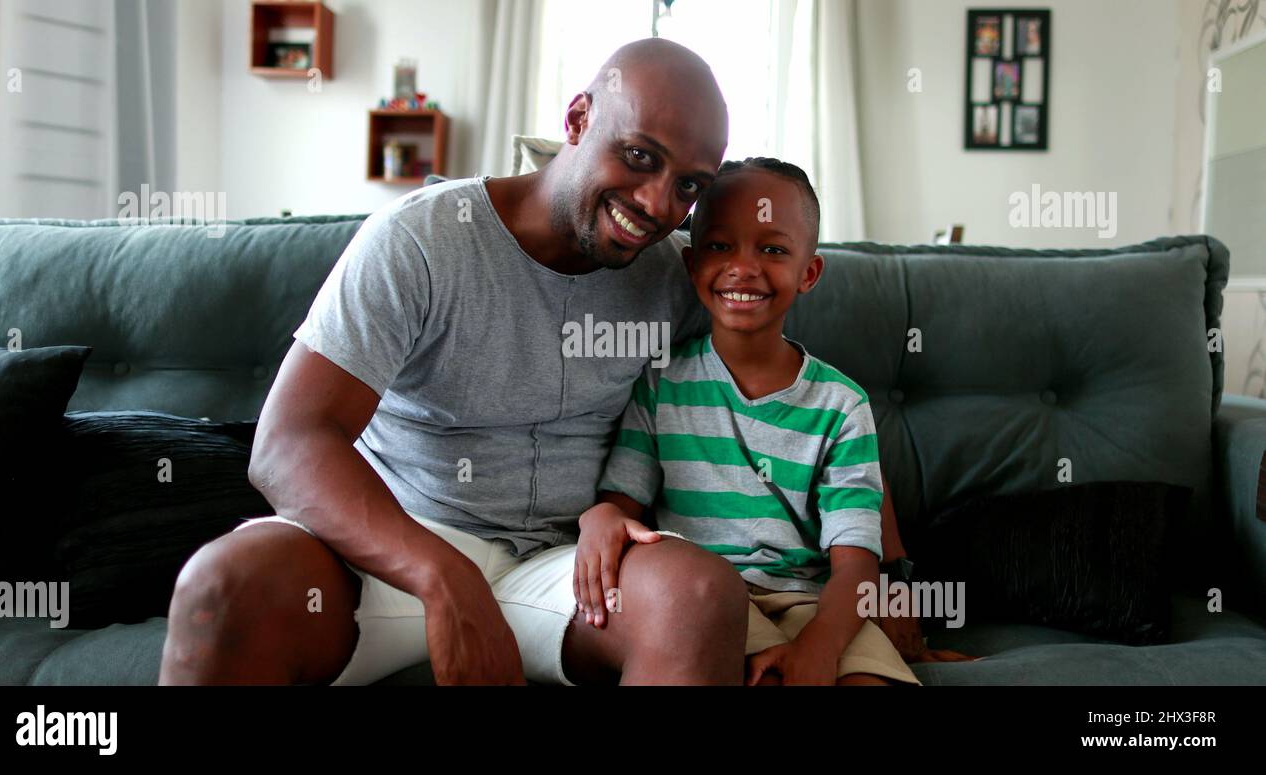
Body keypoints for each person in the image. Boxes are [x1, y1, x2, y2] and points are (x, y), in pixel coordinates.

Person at [160, 38, 952, 686]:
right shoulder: (421, 240)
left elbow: (815, 397)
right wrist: (442, 575)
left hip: (574, 567)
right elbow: (290, 442)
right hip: (397, 547)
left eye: (687, 186)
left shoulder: (675, 271)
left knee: (698, 592)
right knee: (223, 583)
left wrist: (896, 571)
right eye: (638, 155)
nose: (654, 202)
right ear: (578, 118)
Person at [575, 157, 920, 685]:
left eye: (773, 250)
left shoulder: (842, 406)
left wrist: (818, 650)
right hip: (704, 601)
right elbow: (624, 507)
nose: (743, 267)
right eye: (720, 246)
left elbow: (855, 564)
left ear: (809, 272)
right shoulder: (661, 382)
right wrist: (599, 516)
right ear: (691, 265)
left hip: (811, 604)